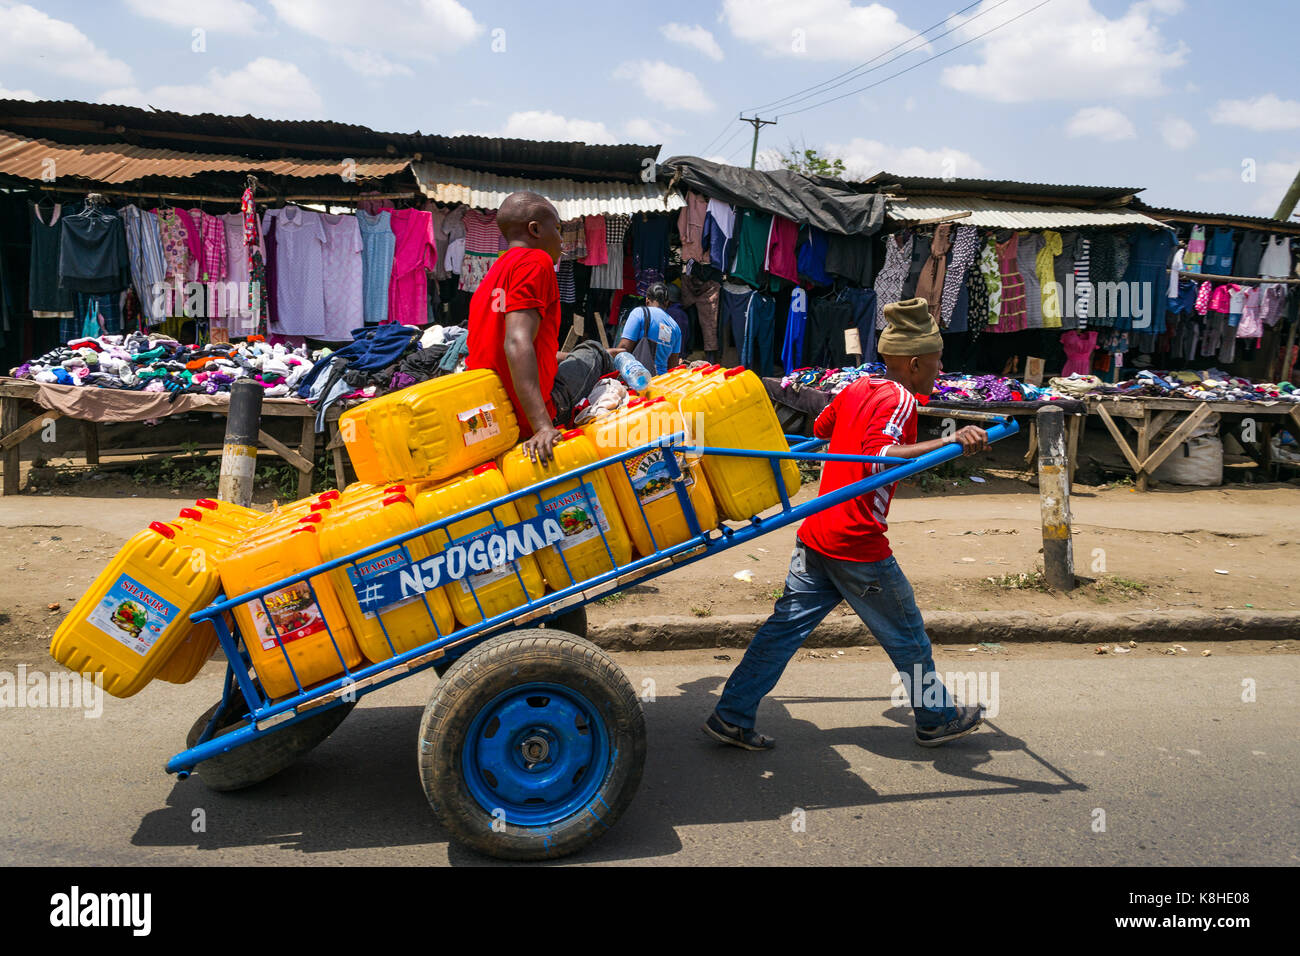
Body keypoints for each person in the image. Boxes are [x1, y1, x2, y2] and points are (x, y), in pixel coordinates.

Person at [703, 298, 992, 751]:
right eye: (936, 363)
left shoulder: (860, 387)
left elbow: (822, 426)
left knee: (783, 630)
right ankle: (936, 718)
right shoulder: (898, 399)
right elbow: (879, 458)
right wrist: (950, 440)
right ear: (914, 363)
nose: (940, 370)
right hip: (855, 542)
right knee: (908, 634)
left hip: (817, 532)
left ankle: (732, 714)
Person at [466, 191, 613, 464]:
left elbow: (511, 346)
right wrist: (543, 426)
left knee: (574, 357)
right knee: (595, 350)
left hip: (494, 416)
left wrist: (563, 358)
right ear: (535, 229)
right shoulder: (536, 261)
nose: (562, 240)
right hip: (533, 413)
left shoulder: (492, 277)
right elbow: (516, 342)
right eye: (557, 229)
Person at [612, 282, 682, 375]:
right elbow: (673, 365)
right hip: (662, 381)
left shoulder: (639, 313)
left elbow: (624, 348)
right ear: (667, 303)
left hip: (639, 379)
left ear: (647, 300)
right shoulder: (675, 327)